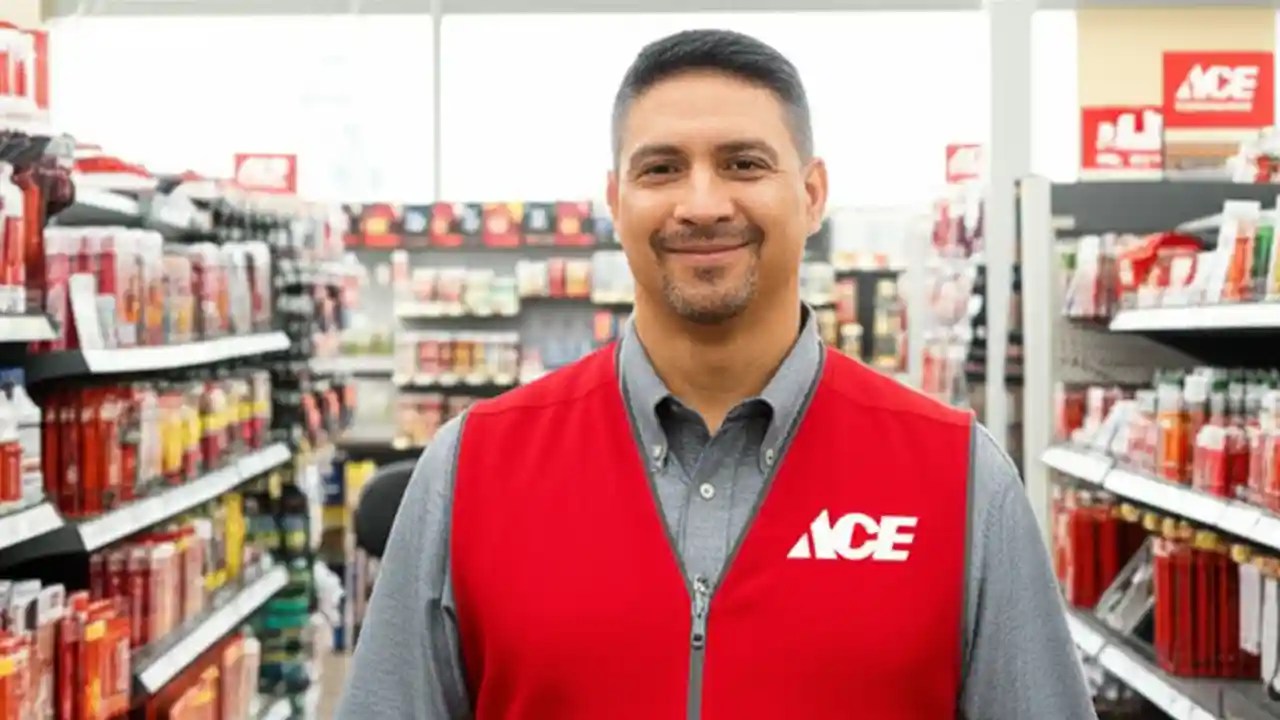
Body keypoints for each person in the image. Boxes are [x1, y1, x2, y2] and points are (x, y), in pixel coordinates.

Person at [336, 28, 1096, 720]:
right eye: (662, 168)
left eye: (744, 163)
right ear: (616, 201)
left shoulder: (959, 479)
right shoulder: (471, 468)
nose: (701, 205)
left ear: (812, 192)